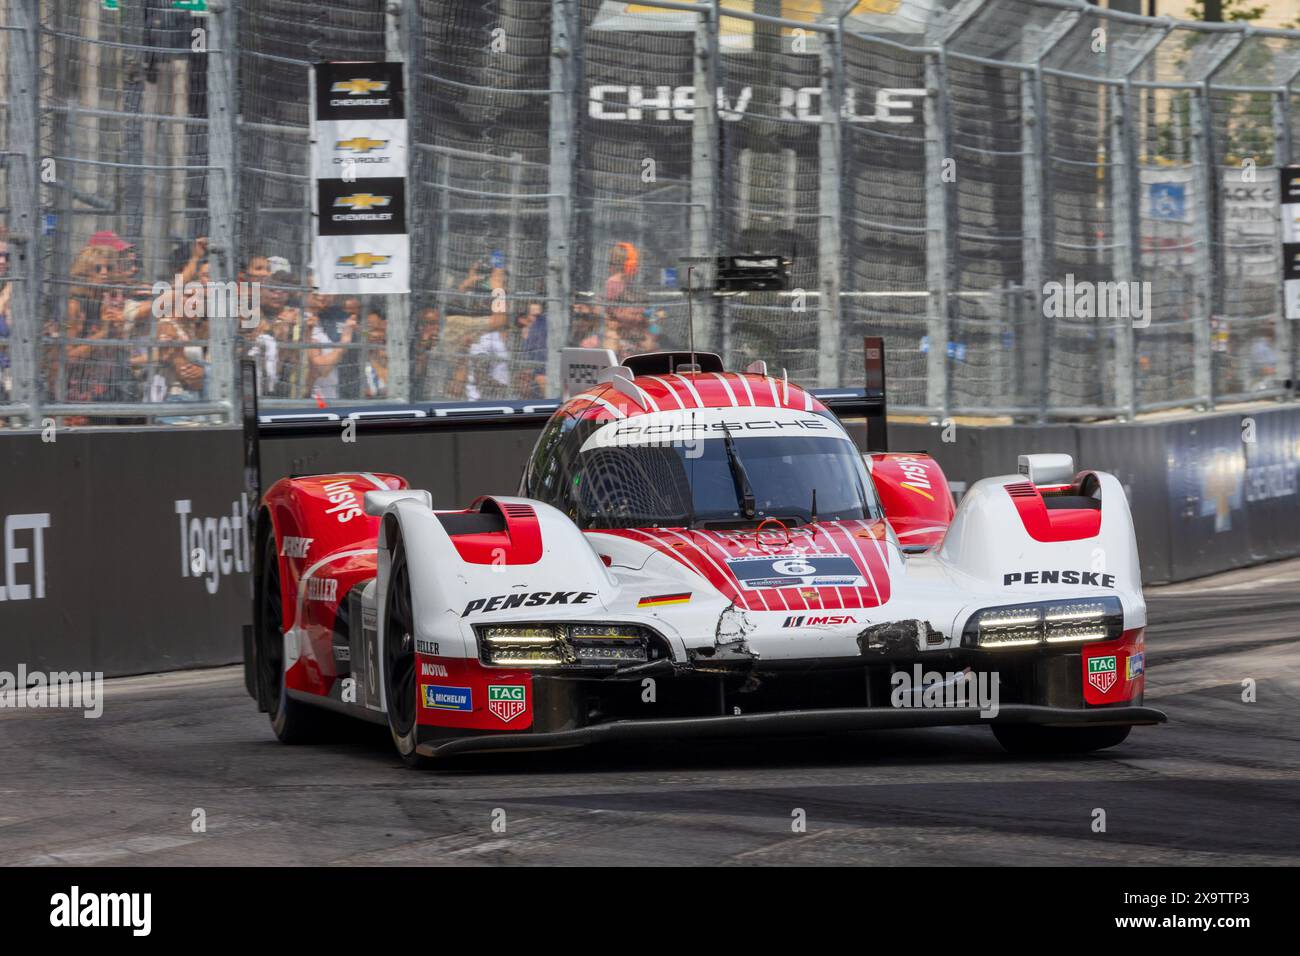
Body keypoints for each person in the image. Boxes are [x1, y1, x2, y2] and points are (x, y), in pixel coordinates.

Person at [515, 301, 547, 398]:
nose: (538, 320)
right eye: (534, 316)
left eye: (540, 317)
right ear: (524, 319)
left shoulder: (544, 335)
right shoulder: (521, 337)